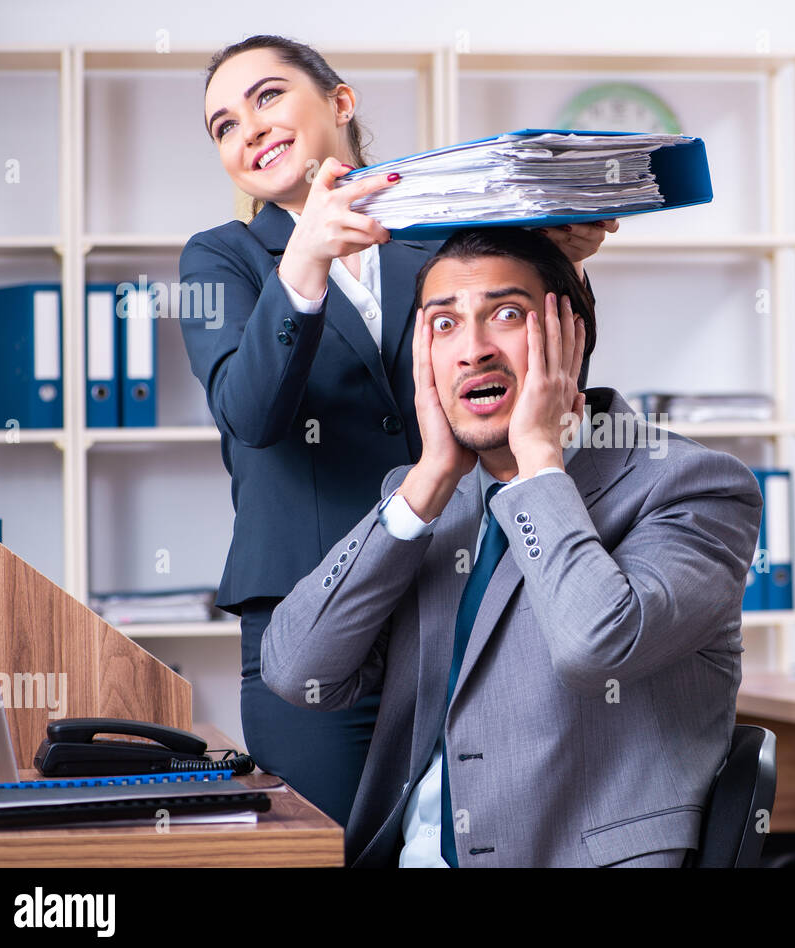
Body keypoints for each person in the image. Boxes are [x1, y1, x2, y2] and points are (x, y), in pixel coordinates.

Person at [178, 34, 615, 826]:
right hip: (310, 620)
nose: (249, 128)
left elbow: (538, 377)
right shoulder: (225, 259)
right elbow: (252, 414)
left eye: (268, 96)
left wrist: (565, 269)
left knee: (471, 834)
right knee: (336, 845)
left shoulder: (442, 233)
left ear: (340, 103)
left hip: (457, 595)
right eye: (223, 126)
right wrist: (304, 261)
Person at [261, 226, 763, 867]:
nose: (471, 350)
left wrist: (538, 464)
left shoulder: (692, 486)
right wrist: (426, 483)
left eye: (505, 315)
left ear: (570, 335)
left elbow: (596, 646)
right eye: (443, 325)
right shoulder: (428, 501)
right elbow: (296, 671)